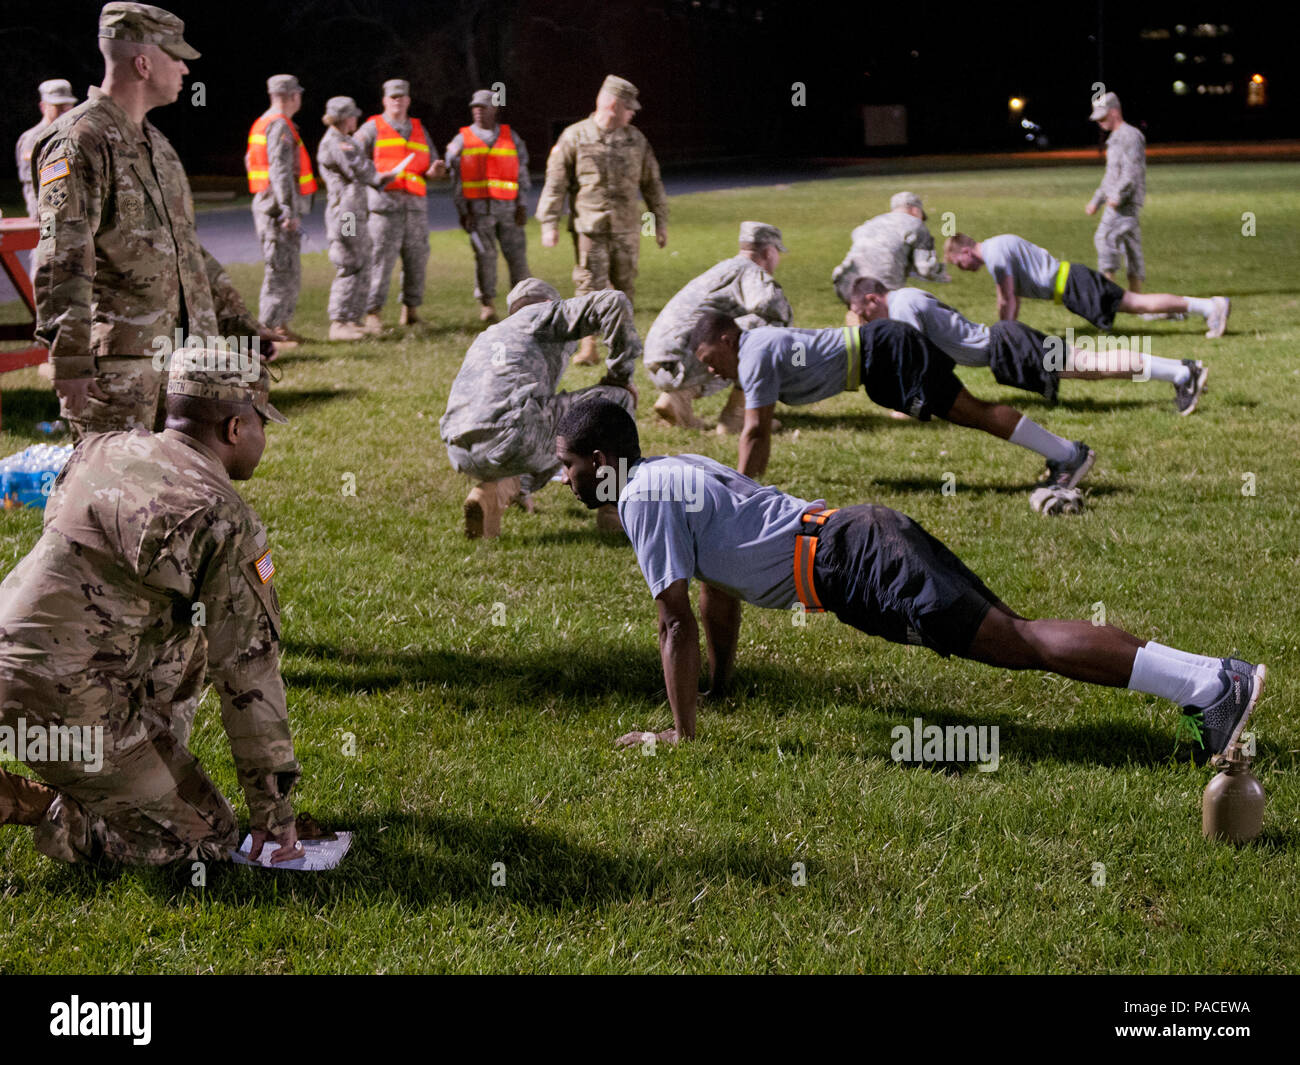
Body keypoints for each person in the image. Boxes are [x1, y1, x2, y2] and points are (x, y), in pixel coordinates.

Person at [554, 397, 1265, 757]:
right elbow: (717, 589)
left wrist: (682, 732)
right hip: (858, 539)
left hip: (853, 561)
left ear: (601, 455)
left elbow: (673, 619)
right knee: (1019, 634)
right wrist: (721, 684)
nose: (564, 477)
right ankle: (1211, 677)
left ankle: (1211, 686)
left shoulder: (641, 496)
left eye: (569, 463)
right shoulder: (671, 471)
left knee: (1022, 641)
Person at [0, 360, 302, 866]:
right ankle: (50, 805)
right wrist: (273, 814)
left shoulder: (99, 449)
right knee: (206, 843)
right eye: (261, 423)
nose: (262, 436)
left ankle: (125, 772)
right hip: (60, 701)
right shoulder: (222, 516)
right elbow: (249, 675)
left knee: (191, 628)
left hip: (12, 660)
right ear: (234, 427)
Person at [31, 2, 269, 441]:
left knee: (181, 495)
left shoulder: (157, 145)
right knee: (116, 496)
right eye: (174, 57)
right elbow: (62, 260)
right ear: (142, 63)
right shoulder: (78, 142)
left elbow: (185, 249)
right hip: (121, 371)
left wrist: (239, 321)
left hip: (185, 364)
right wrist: (70, 362)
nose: (184, 69)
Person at [687, 312, 1096, 498]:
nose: (713, 372)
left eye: (710, 361)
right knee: (971, 414)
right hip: (878, 359)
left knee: (972, 412)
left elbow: (756, 431)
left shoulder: (754, 355)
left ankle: (1068, 454)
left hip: (885, 352)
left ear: (727, 341)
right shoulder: (755, 348)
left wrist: (740, 493)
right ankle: (1062, 452)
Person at [439, 277, 640, 538]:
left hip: (459, 449)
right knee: (618, 399)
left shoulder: (490, 335)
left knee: (546, 426)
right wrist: (620, 376)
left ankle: (499, 491)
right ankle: (615, 510)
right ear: (549, 304)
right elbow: (614, 301)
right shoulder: (540, 315)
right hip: (512, 436)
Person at [849, 278, 1209, 415]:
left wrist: (903, 406)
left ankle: (1181, 371)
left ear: (870, 299)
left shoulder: (902, 305)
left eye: (860, 313)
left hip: (1009, 344)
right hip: (1007, 342)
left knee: (1091, 364)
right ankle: (1179, 370)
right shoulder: (905, 297)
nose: (865, 321)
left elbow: (912, 354)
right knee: (1090, 366)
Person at [535, 75, 668, 366]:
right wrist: (549, 223)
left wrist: (659, 222)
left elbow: (652, 183)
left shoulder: (636, 140)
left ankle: (622, 344)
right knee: (588, 286)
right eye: (629, 107)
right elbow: (556, 183)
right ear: (613, 104)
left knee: (625, 286)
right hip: (590, 228)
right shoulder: (575, 136)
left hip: (626, 227)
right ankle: (588, 346)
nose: (633, 113)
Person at [645, 220, 792, 434]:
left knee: (725, 331)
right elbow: (772, 308)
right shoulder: (752, 272)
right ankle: (736, 416)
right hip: (685, 360)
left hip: (659, 360)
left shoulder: (725, 268)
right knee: (773, 328)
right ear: (769, 252)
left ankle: (676, 399)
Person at [943, 232, 1230, 339]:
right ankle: (1197, 308)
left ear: (965, 252)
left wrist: (1004, 334)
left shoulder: (994, 255)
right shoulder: (1000, 243)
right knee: (1134, 304)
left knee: (1136, 304)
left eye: (960, 264)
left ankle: (1208, 307)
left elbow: (1008, 299)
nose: (964, 271)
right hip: (1073, 281)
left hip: (1072, 284)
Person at [354, 79, 447, 329]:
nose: (397, 100)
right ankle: (373, 313)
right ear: (384, 100)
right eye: (392, 96)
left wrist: (435, 170)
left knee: (416, 260)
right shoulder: (372, 128)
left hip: (415, 208)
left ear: (408, 100)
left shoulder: (419, 128)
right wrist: (373, 178)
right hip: (384, 209)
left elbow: (431, 164)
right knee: (380, 261)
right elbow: (352, 158)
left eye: (401, 96)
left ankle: (411, 311)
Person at [316, 95, 407, 340]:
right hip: (345, 215)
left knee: (363, 259)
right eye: (353, 114)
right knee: (350, 261)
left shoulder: (344, 140)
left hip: (354, 211)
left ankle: (352, 319)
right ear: (344, 117)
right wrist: (379, 177)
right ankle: (339, 321)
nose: (357, 118)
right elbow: (357, 166)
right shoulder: (336, 142)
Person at [444, 88, 531, 324]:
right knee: (485, 258)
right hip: (479, 212)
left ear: (495, 109)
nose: (478, 111)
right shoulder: (462, 139)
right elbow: (457, 180)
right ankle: (487, 305)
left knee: (518, 258)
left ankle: (523, 303)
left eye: (483, 107)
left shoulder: (510, 137)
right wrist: (463, 211)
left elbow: (521, 173)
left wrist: (522, 204)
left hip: (509, 210)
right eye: (475, 107)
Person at [245, 74, 316, 346]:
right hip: (277, 210)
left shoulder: (262, 123)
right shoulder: (279, 126)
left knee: (285, 268)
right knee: (279, 270)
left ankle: (281, 328)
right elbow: (281, 170)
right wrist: (289, 210)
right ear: (292, 96)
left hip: (268, 205)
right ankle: (271, 331)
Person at [833, 191, 949, 323]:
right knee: (887, 328)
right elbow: (925, 268)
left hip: (844, 279)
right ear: (915, 210)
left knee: (862, 323)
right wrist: (943, 274)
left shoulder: (869, 223)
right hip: (879, 283)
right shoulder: (916, 225)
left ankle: (856, 331)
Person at [1086, 92, 1146, 293]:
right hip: (1119, 200)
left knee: (1103, 238)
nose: (1100, 122)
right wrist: (1097, 200)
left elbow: (1131, 171)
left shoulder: (1130, 136)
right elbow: (1110, 175)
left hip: (1124, 202)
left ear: (1114, 112)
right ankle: (1137, 296)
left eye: (1103, 117)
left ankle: (1108, 292)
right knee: (1131, 246)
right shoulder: (1115, 139)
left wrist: (1117, 195)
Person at [16, 79, 78, 220]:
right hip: (46, 210)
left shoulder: (72, 134)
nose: (65, 110)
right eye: (58, 106)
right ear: (43, 107)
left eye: (68, 105)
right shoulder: (33, 139)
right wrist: (73, 162)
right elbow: (40, 175)